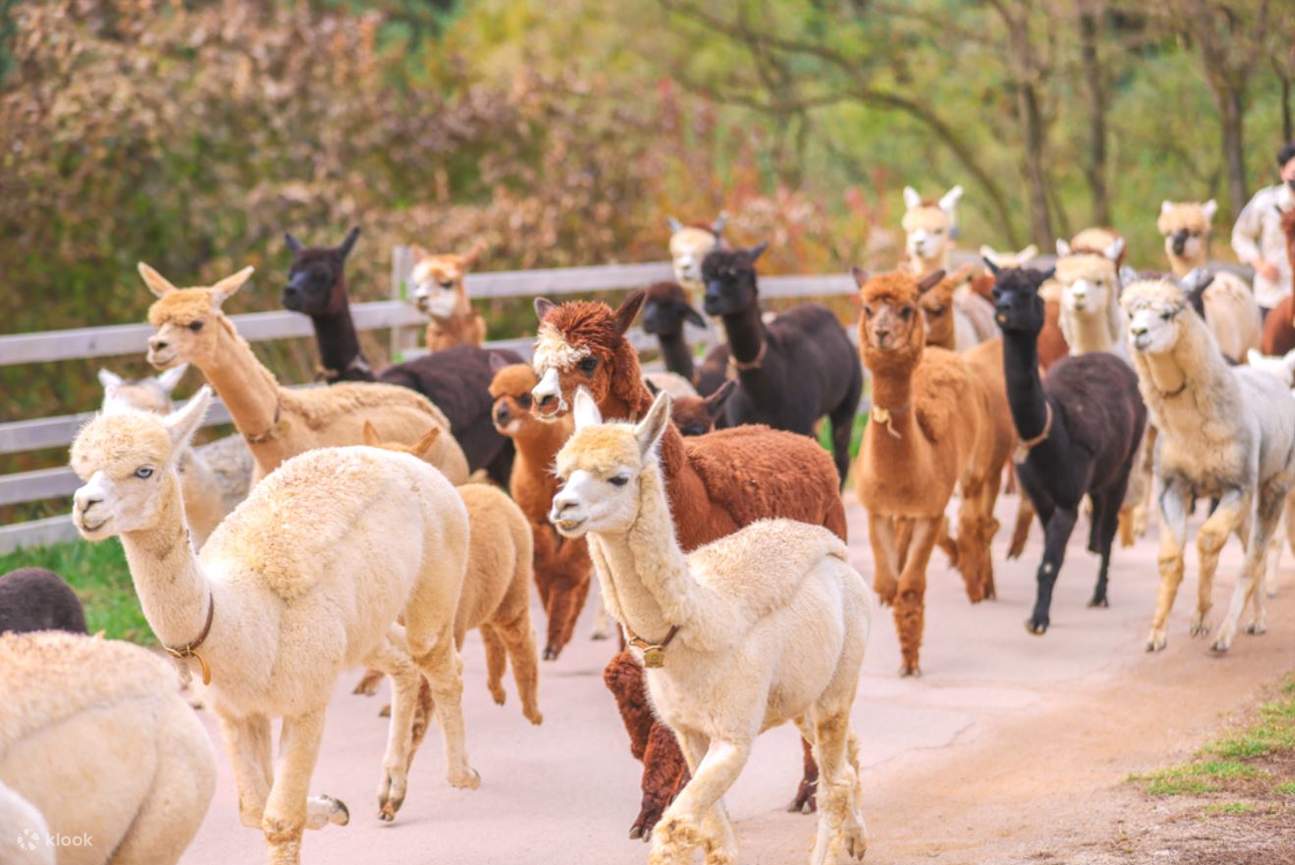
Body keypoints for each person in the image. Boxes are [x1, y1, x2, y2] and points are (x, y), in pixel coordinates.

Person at [1232, 141, 1295, 315]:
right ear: (1283, 172)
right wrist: (1260, 264)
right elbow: (1240, 236)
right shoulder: (1265, 202)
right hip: (1272, 296)